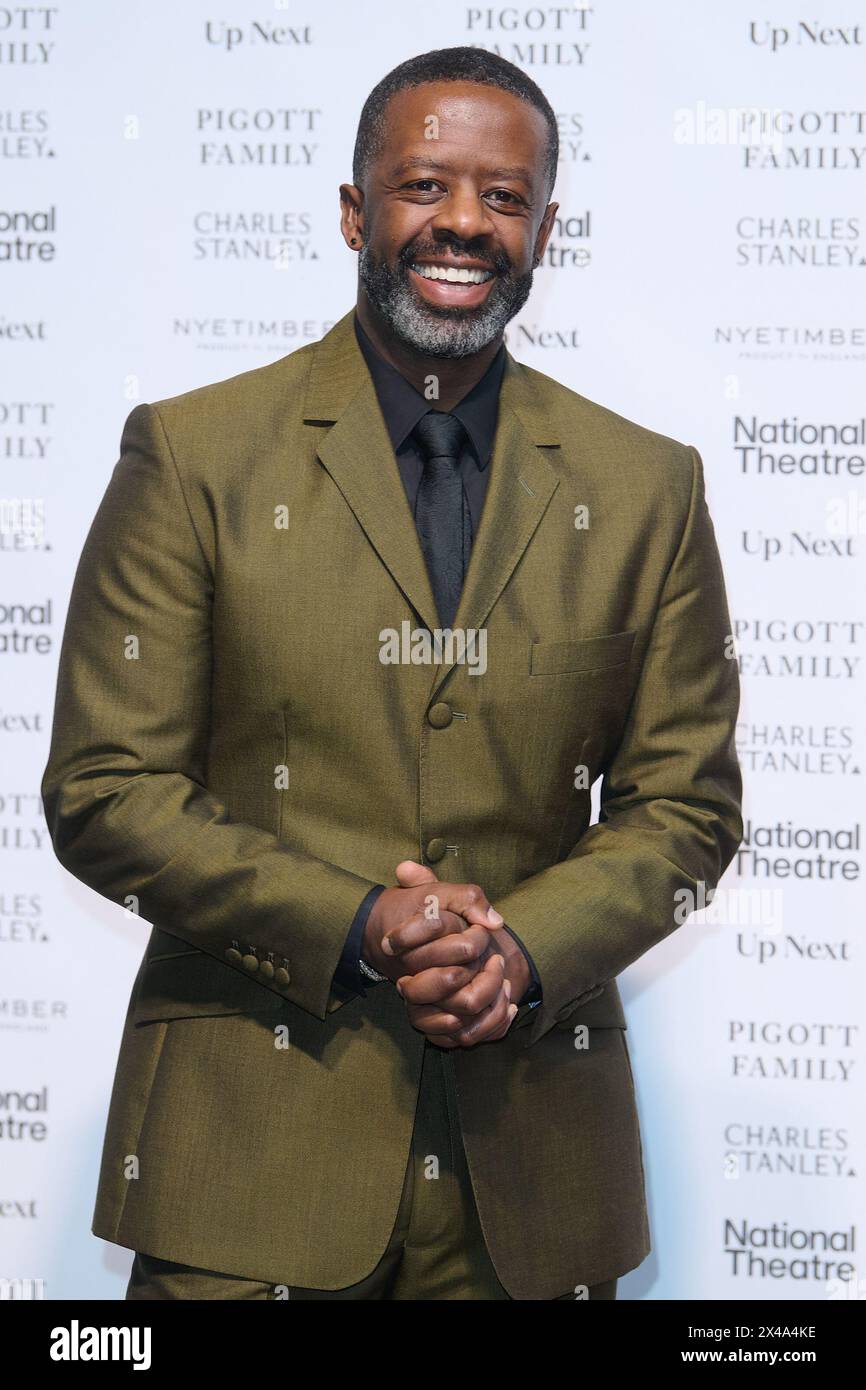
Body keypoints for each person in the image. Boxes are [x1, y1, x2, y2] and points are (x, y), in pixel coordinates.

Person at [41, 47, 743, 1300]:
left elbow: (686, 807)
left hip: (532, 1195)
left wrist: (522, 948)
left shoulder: (646, 487)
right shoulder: (194, 457)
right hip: (241, 1177)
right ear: (357, 211)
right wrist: (358, 922)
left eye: (505, 196)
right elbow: (106, 788)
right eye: (425, 185)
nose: (464, 222)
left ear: (545, 230)